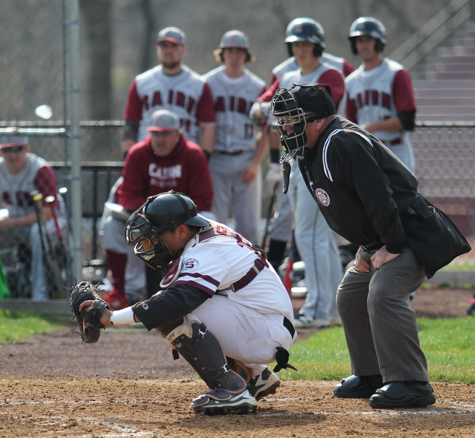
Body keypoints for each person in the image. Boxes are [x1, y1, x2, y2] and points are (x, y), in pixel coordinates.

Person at [271, 83, 469, 409]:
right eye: (283, 121)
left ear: (318, 120)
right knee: (350, 294)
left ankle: (412, 382)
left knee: (384, 293)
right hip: (382, 238)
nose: (285, 127)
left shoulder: (341, 142)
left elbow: (380, 195)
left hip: (410, 234)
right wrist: (366, 247)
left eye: (293, 119)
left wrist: (390, 244)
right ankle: (371, 374)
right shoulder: (311, 147)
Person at [84, 191, 296, 415]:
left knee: (171, 309)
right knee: (175, 302)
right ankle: (254, 375)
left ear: (181, 230)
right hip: (264, 321)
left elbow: (176, 302)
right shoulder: (202, 233)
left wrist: (111, 318)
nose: (150, 243)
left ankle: (231, 388)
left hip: (267, 330)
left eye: (155, 235)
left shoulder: (205, 250)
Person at [253, 23, 348, 328]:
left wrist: (273, 109)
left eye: (306, 44)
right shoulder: (287, 76)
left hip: (320, 158)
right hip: (294, 160)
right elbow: (259, 106)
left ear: (318, 46)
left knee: (311, 235)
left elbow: (314, 111)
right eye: (296, 44)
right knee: (318, 238)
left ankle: (318, 308)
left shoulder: (329, 74)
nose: (301, 49)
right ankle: (332, 307)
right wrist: (268, 108)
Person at [100, 110, 214, 308]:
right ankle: (120, 291)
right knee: (111, 226)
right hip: (145, 218)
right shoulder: (137, 153)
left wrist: (175, 220)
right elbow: (127, 194)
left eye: (166, 134)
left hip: (182, 222)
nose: (160, 140)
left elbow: (203, 199)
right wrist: (152, 217)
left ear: (178, 134)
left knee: (211, 220)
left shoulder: (193, 154)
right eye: (156, 134)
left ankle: (202, 287)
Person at [0, 134, 67, 300]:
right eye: (7, 150)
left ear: (27, 149)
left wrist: (10, 224)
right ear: (0, 151)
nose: (13, 155)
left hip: (50, 223)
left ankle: (40, 294)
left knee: (37, 234)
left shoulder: (40, 169)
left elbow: (46, 214)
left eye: (18, 149)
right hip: (15, 221)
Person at [202, 30, 268, 243]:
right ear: (222, 53)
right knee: (213, 224)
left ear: (246, 55)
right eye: (229, 50)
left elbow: (267, 128)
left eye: (239, 51)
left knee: (248, 225)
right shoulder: (207, 83)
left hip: (245, 158)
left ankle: (249, 274)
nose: (234, 56)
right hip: (216, 159)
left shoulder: (257, 86)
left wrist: (256, 162)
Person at [121, 26, 216, 157]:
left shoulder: (199, 84)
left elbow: (208, 126)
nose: (168, 51)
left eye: (174, 46)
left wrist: (204, 157)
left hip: (184, 155)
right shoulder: (141, 82)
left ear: (184, 49)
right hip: (148, 153)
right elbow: (131, 125)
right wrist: (128, 155)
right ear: (158, 49)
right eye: (164, 46)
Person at [343, 17, 418, 171]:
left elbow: (408, 119)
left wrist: (372, 127)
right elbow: (351, 122)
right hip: (366, 151)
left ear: (379, 42)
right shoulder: (350, 82)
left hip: (395, 149)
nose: (364, 45)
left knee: (401, 195)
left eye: (368, 40)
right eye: (359, 40)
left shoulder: (396, 73)